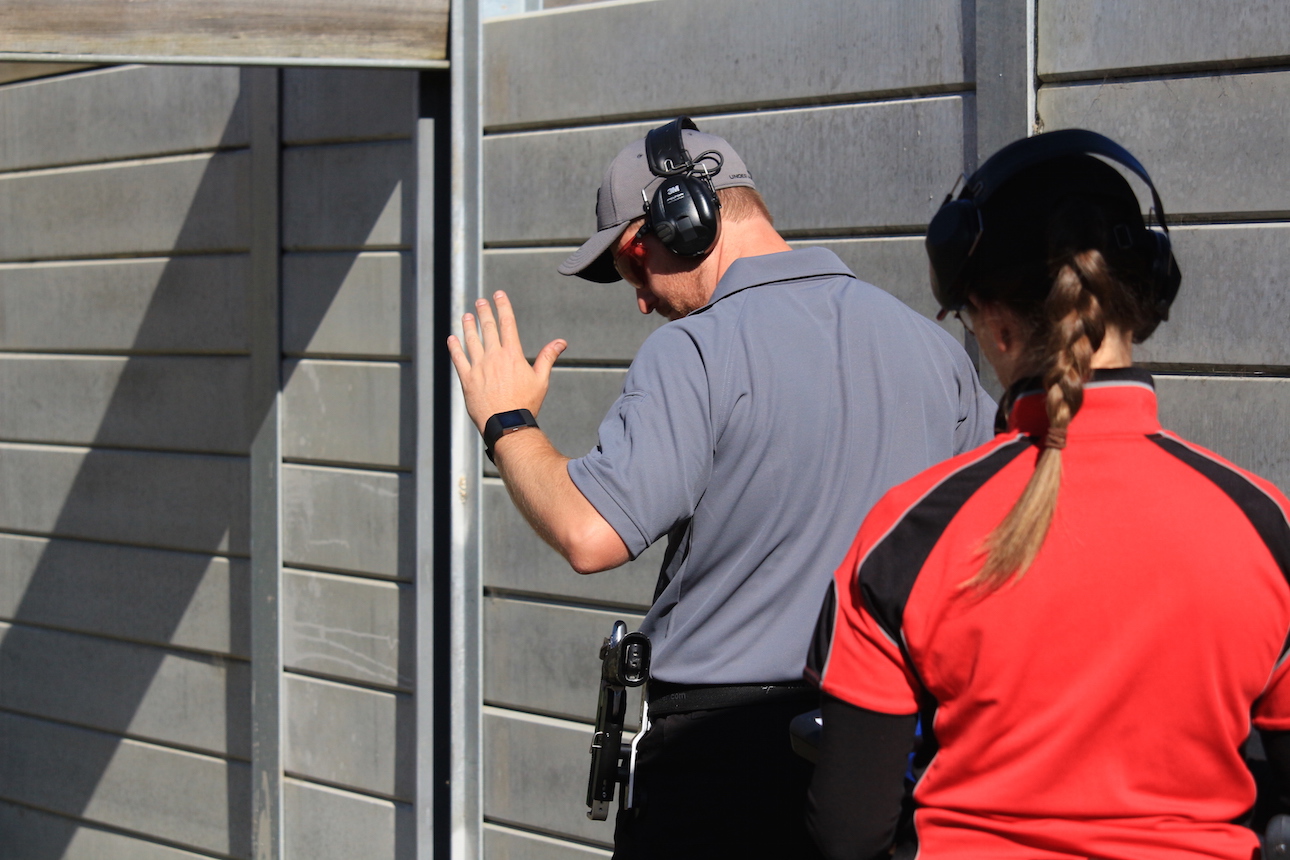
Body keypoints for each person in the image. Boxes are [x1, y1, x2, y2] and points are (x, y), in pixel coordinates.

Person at [447, 117, 995, 859]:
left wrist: (506, 421)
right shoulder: (937, 355)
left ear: (679, 221)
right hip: (890, 763)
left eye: (634, 264)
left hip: (720, 767)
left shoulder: (694, 352)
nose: (640, 298)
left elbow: (587, 532)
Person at [804, 129, 1290, 860]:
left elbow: (847, 833)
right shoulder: (1264, 526)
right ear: (1145, 299)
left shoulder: (904, 537)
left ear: (996, 324)